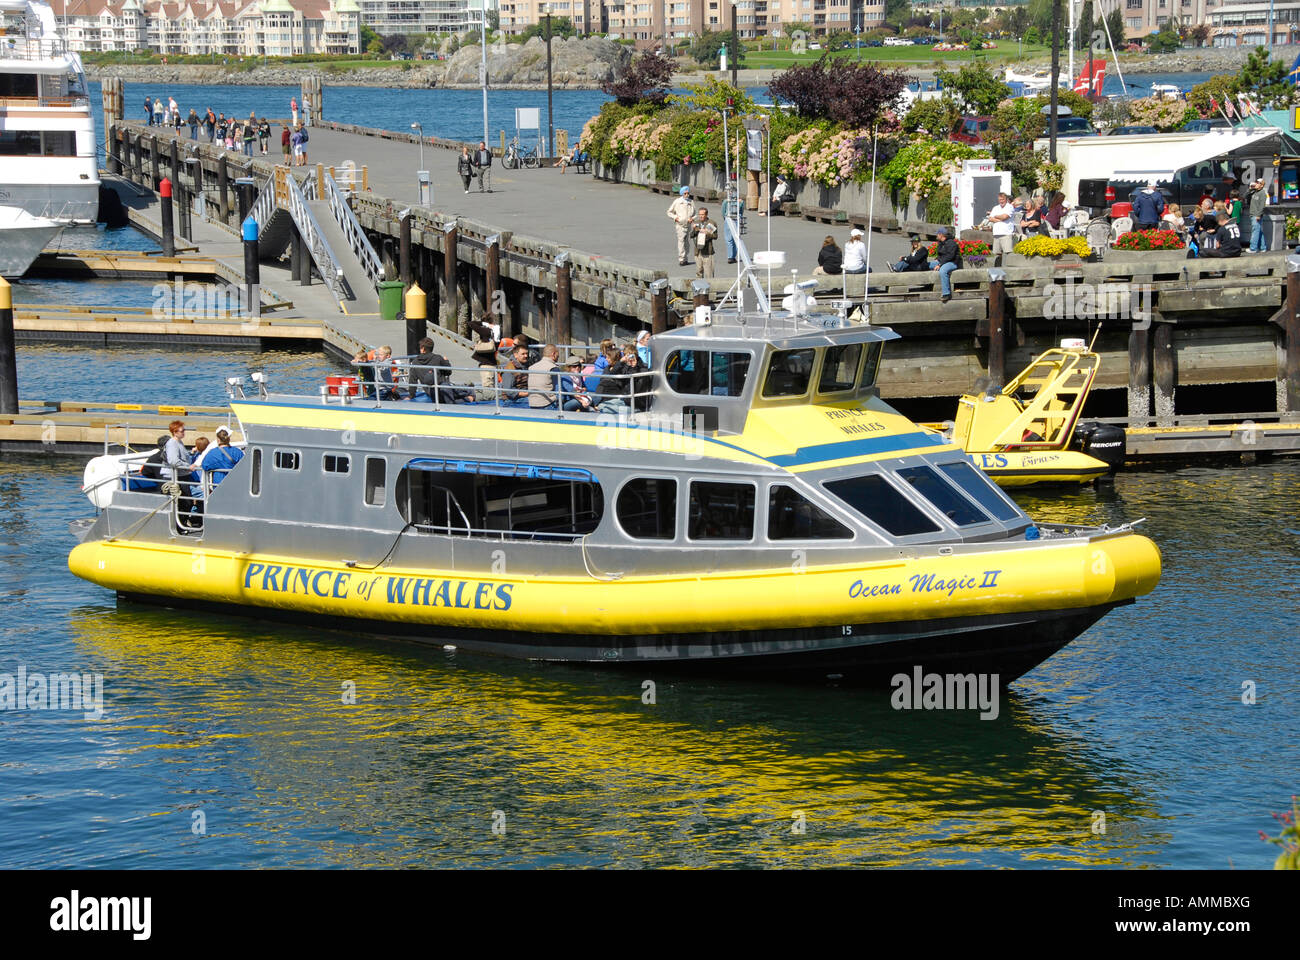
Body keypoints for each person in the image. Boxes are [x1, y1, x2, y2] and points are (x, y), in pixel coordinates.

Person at [468, 315, 501, 396]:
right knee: (492, 386)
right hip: (493, 363)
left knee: (488, 389)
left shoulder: (486, 331)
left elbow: (471, 323)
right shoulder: (497, 332)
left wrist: (484, 323)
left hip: (486, 365)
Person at [933, 225, 962, 302]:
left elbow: (950, 256)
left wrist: (940, 264)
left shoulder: (951, 243)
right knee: (929, 265)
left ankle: (946, 294)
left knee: (943, 270)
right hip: (943, 261)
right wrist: (937, 260)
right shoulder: (941, 243)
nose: (936, 235)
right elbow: (941, 254)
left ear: (941, 235)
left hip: (952, 262)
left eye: (937, 234)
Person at [667, 186, 695, 266]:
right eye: (685, 193)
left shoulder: (691, 202)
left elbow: (695, 214)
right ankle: (681, 259)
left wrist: (692, 218)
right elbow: (669, 212)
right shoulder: (677, 201)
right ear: (682, 194)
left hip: (688, 225)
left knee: (687, 243)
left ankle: (686, 258)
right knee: (681, 241)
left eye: (688, 193)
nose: (687, 195)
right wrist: (675, 217)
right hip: (680, 225)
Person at [987, 191, 1017, 263]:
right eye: (1000, 199)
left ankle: (1008, 268)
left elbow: (1005, 217)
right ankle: (998, 268)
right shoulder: (996, 208)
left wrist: (996, 216)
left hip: (1006, 233)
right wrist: (999, 219)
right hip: (997, 233)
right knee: (997, 254)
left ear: (1006, 199)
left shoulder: (1009, 207)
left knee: (1008, 253)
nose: (1001, 201)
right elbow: (990, 218)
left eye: (1002, 199)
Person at [527, 344, 560, 408]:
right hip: (548, 403)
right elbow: (558, 389)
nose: (558, 356)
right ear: (553, 354)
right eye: (558, 354)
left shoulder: (531, 367)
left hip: (532, 403)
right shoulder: (553, 368)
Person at [690, 207, 718, 278]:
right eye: (699, 214)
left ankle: (711, 288)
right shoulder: (696, 223)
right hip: (698, 252)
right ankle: (699, 288)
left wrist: (707, 233)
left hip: (708, 252)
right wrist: (694, 230)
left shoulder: (711, 223)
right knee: (699, 273)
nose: (701, 216)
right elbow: (691, 235)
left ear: (706, 214)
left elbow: (715, 236)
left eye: (702, 214)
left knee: (709, 274)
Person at [1245, 178, 1269, 252]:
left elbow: (1262, 206)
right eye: (1256, 182)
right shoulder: (1253, 192)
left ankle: (1253, 248)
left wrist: (1259, 215)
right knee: (1259, 231)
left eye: (1258, 183)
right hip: (1253, 214)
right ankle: (1263, 247)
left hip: (1256, 214)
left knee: (1255, 231)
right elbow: (1245, 196)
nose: (1256, 184)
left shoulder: (1262, 193)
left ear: (1261, 185)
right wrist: (1250, 189)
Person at [721, 183, 742, 264]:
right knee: (728, 239)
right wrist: (725, 218)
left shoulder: (740, 202)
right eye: (729, 192)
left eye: (732, 192)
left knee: (736, 238)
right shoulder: (726, 201)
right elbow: (723, 211)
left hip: (736, 219)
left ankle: (733, 256)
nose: (731, 193)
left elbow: (741, 211)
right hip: (728, 219)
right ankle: (730, 257)